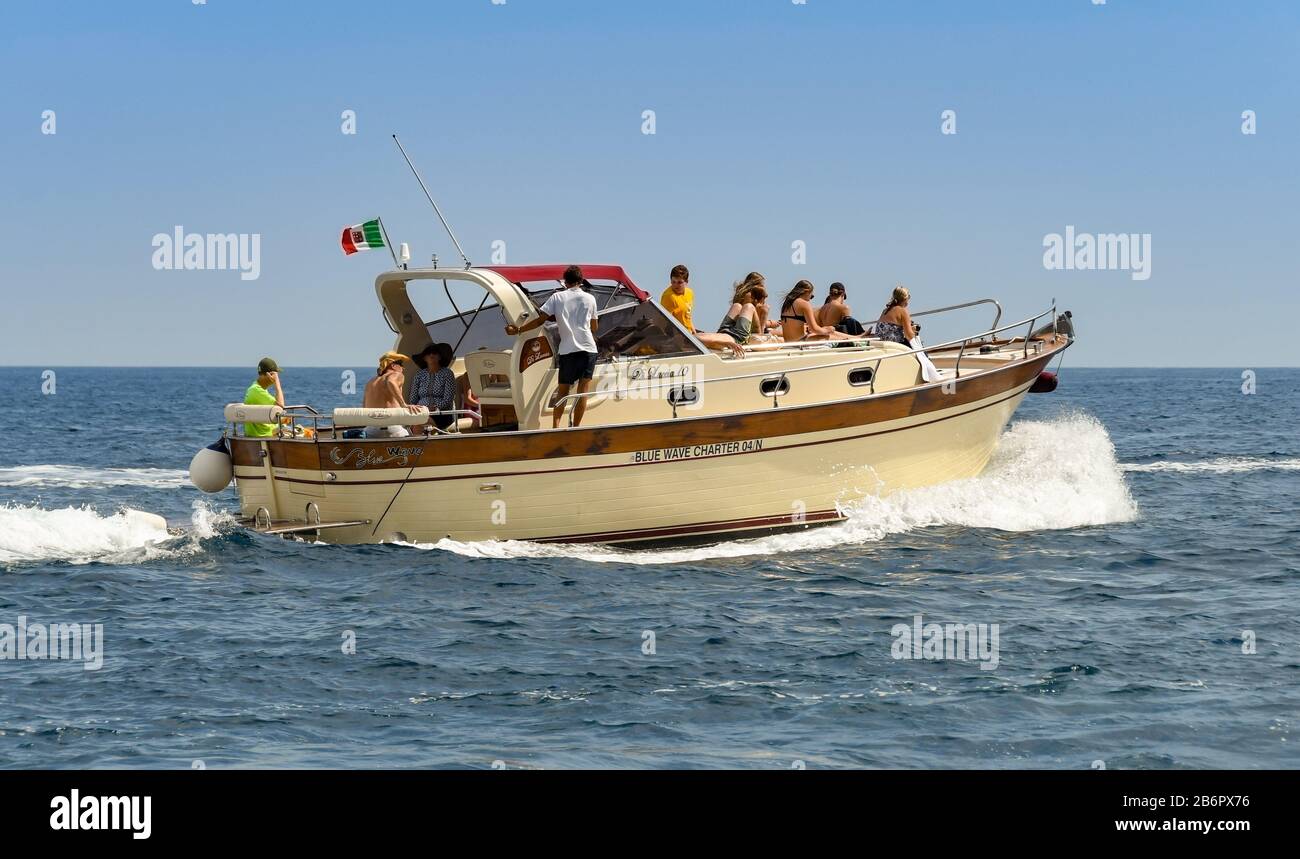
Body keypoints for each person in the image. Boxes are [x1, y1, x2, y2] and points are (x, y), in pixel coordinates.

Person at [505, 265, 600, 428]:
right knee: (582, 393)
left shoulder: (557, 297)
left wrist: (518, 330)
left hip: (568, 350)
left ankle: (556, 427)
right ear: (581, 281)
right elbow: (594, 327)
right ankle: (576, 428)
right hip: (588, 349)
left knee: (562, 391)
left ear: (565, 281)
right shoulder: (590, 299)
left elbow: (540, 320)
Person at [362, 351, 422, 438]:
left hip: (371, 430)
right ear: (393, 366)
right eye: (401, 364)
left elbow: (364, 407)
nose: (403, 368)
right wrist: (403, 404)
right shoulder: (396, 374)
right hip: (393, 428)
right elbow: (391, 382)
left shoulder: (370, 382)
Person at [779, 281, 851, 341]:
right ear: (806, 292)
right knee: (830, 333)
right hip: (800, 342)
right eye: (811, 295)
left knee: (828, 331)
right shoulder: (804, 304)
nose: (810, 299)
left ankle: (857, 337)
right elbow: (814, 329)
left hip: (788, 342)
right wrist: (828, 330)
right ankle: (856, 338)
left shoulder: (786, 305)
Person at [411, 343, 458, 430]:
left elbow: (448, 399)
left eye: (435, 353)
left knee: (420, 422)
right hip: (421, 412)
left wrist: (434, 407)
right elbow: (413, 399)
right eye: (428, 353)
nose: (431, 355)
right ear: (424, 358)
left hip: (442, 413)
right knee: (415, 421)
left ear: (439, 357)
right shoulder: (419, 375)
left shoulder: (447, 373)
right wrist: (416, 409)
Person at [243, 357, 285, 437]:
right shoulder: (257, 390)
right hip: (266, 435)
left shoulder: (255, 388)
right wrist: (277, 383)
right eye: (275, 374)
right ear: (268, 374)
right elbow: (281, 407)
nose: (277, 376)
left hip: (267, 432)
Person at [660, 264, 694, 332]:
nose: (676, 285)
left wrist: (693, 330)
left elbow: (687, 316)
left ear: (686, 282)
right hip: (678, 336)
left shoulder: (690, 293)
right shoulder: (668, 296)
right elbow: (664, 323)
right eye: (673, 282)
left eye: (679, 282)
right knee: (714, 339)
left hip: (689, 334)